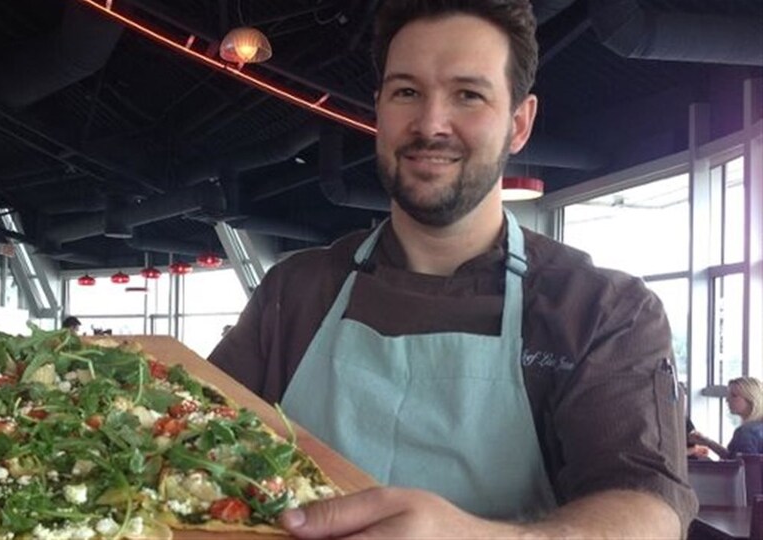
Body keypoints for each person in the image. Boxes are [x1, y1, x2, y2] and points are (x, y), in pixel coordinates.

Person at [209, 0, 697, 536]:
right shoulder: (293, 292)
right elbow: (198, 438)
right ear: (379, 110)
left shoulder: (602, 312)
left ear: (519, 123)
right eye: (407, 92)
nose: (430, 124)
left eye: (468, 94)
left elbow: (647, 511)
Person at [690, 377, 763, 458]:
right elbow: (733, 457)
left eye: (734, 396)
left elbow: (739, 466)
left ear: (752, 399)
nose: (727, 400)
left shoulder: (746, 432)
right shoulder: (755, 429)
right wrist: (708, 442)